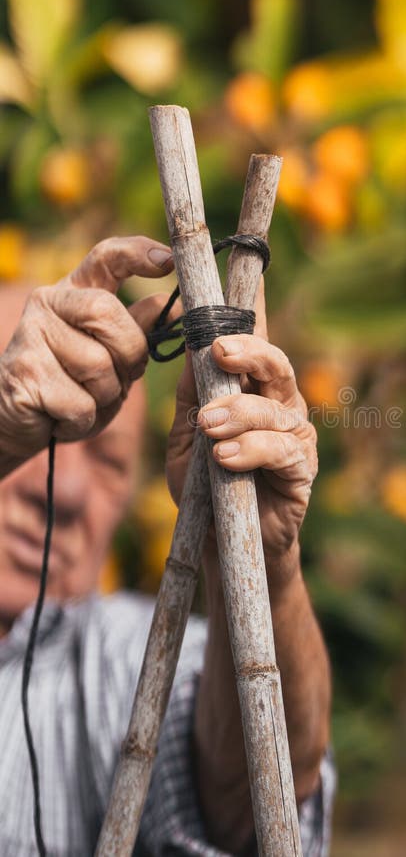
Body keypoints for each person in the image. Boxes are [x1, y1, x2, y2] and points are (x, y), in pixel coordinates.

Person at [0, 236, 334, 856]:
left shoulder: (124, 655)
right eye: (36, 427)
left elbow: (254, 796)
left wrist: (258, 561)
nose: (66, 491)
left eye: (108, 460)